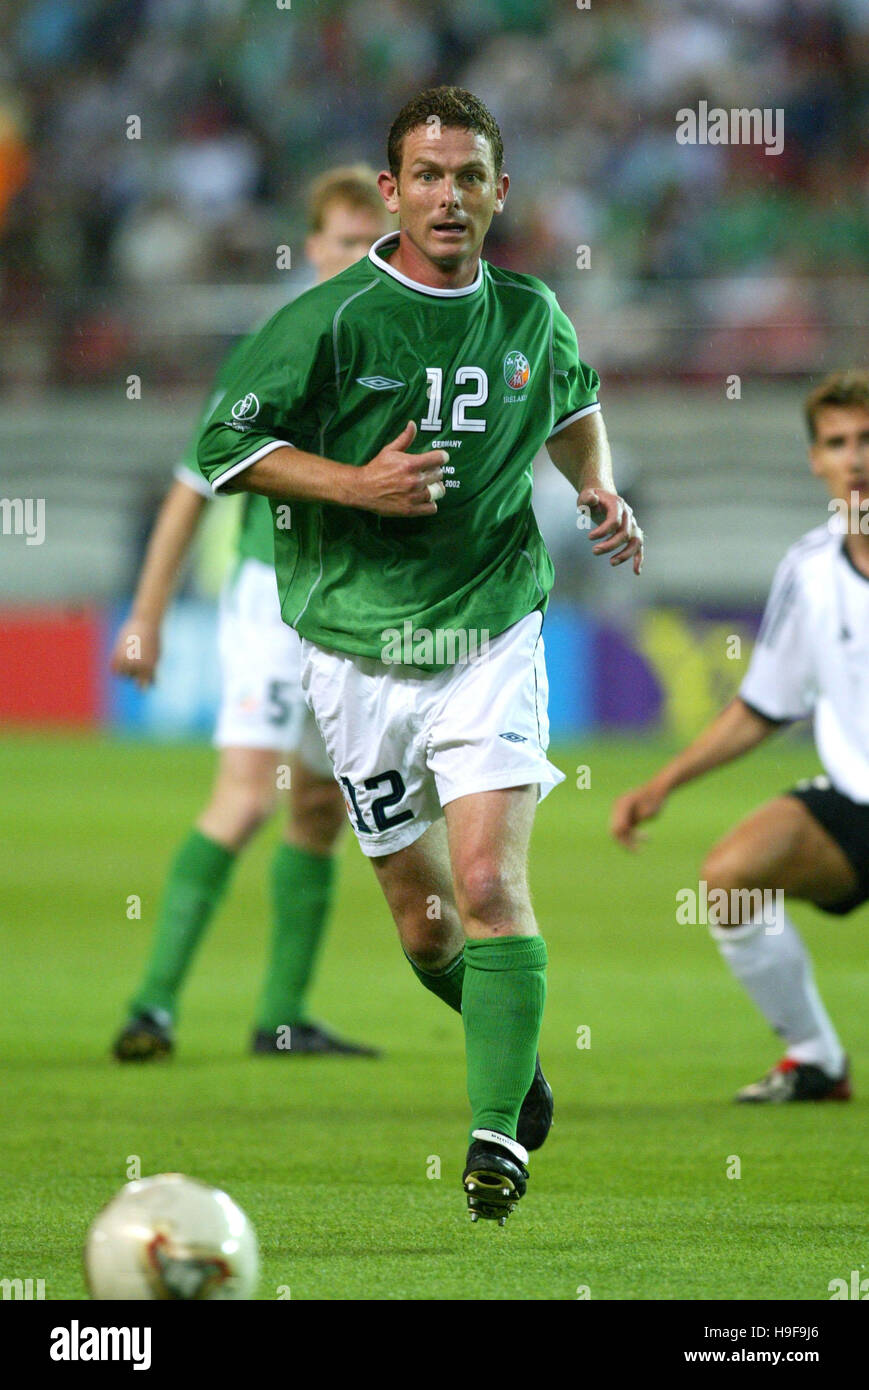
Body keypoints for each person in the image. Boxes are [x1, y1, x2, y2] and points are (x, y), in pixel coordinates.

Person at [197, 87, 643, 1221]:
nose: (450, 196)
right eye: (428, 176)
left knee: (491, 880)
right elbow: (220, 446)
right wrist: (355, 484)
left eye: (470, 176)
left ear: (500, 191)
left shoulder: (531, 312)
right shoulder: (331, 319)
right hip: (354, 647)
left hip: (488, 628)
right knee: (423, 923)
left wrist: (594, 483)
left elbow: (569, 402)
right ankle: (515, 1055)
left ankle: (494, 1137)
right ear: (391, 192)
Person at [111, 167, 393, 1061]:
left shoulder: (400, 339)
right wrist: (146, 615)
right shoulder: (280, 340)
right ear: (313, 248)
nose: (358, 256)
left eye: (372, 242)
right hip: (274, 603)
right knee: (243, 799)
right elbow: (193, 490)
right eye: (343, 242)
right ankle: (151, 1005)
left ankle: (282, 1017)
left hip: (355, 612)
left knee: (320, 810)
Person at [611, 370, 869, 1103]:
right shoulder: (810, 571)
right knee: (729, 881)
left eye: (866, 440)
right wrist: (660, 784)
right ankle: (815, 1059)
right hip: (857, 801)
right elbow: (762, 705)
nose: (855, 459)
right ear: (815, 461)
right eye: (837, 443)